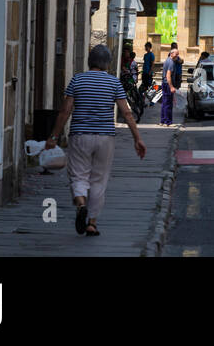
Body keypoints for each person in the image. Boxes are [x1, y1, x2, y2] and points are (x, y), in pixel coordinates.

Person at [47, 44, 146, 237]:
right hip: (105, 138)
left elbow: (65, 111)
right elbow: (126, 112)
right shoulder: (114, 83)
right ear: (107, 64)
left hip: (80, 136)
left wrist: (53, 136)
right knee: (99, 180)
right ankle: (92, 223)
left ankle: (81, 203)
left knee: (78, 175)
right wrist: (137, 138)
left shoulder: (77, 80)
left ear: (89, 61)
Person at [160, 43, 179, 126]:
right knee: (168, 104)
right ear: (171, 54)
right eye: (176, 54)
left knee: (164, 103)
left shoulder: (167, 60)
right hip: (167, 84)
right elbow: (168, 75)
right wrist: (171, 87)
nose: (177, 56)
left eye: (178, 54)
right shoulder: (171, 62)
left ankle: (163, 121)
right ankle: (168, 122)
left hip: (164, 83)